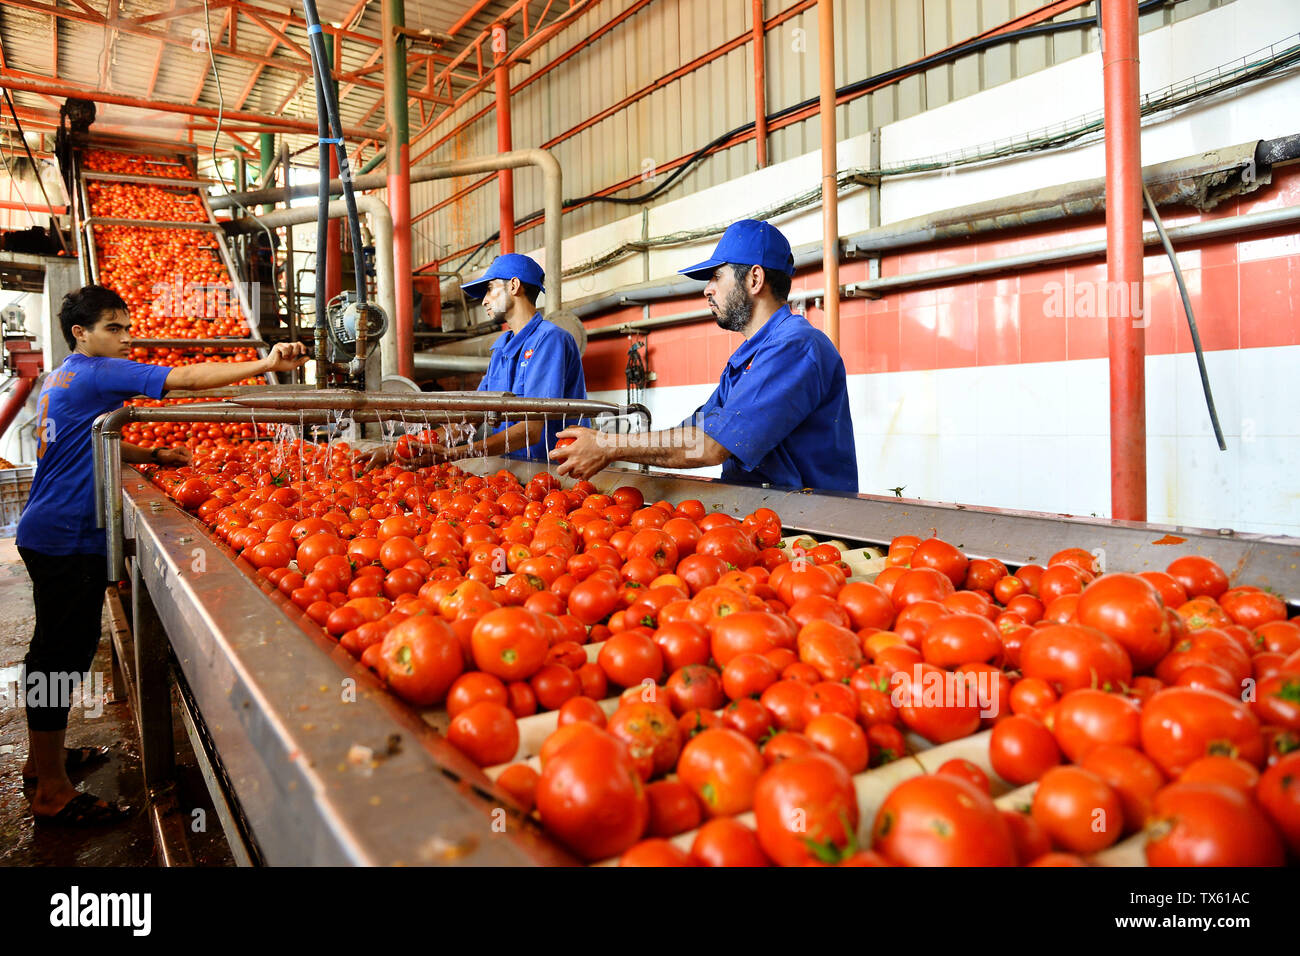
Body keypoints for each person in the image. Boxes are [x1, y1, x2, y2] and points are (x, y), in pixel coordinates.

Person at [15, 284, 309, 827]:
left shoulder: (62, 376)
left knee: (56, 649)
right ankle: (51, 789)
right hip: (66, 533)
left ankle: (41, 760)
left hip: (46, 528)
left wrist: (150, 452)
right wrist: (265, 362)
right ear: (81, 333)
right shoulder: (99, 372)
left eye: (128, 327)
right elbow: (183, 380)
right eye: (114, 329)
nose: (127, 338)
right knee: (61, 653)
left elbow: (91, 438)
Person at [552, 219, 857, 492]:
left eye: (716, 277)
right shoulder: (749, 356)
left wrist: (609, 446)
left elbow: (712, 446)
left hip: (809, 526)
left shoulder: (796, 347)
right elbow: (696, 431)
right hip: (764, 511)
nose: (707, 290)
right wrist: (604, 443)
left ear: (754, 279)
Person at [366, 253, 586, 469]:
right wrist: (398, 448)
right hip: (517, 472)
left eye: (490, 289)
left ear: (514, 285)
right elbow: (470, 421)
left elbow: (531, 430)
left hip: (558, 474)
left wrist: (455, 454)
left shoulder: (549, 340)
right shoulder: (501, 350)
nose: (484, 301)